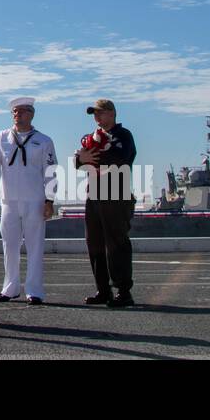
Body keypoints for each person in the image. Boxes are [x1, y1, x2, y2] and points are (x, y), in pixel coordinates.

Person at [0, 96, 57, 303]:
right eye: (15, 111)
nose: (18, 115)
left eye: (22, 111)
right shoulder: (1, 138)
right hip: (9, 201)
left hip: (35, 200)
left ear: (31, 114)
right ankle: (10, 288)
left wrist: (49, 200)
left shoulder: (43, 141)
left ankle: (34, 290)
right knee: (9, 245)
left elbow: (50, 172)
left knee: (35, 246)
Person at [77, 98, 137, 307]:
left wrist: (91, 157)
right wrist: (86, 158)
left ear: (112, 113)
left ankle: (123, 291)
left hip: (116, 193)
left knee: (116, 243)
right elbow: (79, 162)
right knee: (94, 242)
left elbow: (120, 157)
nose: (96, 117)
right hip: (93, 193)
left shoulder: (123, 135)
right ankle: (103, 290)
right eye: (94, 114)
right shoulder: (89, 137)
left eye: (100, 113)